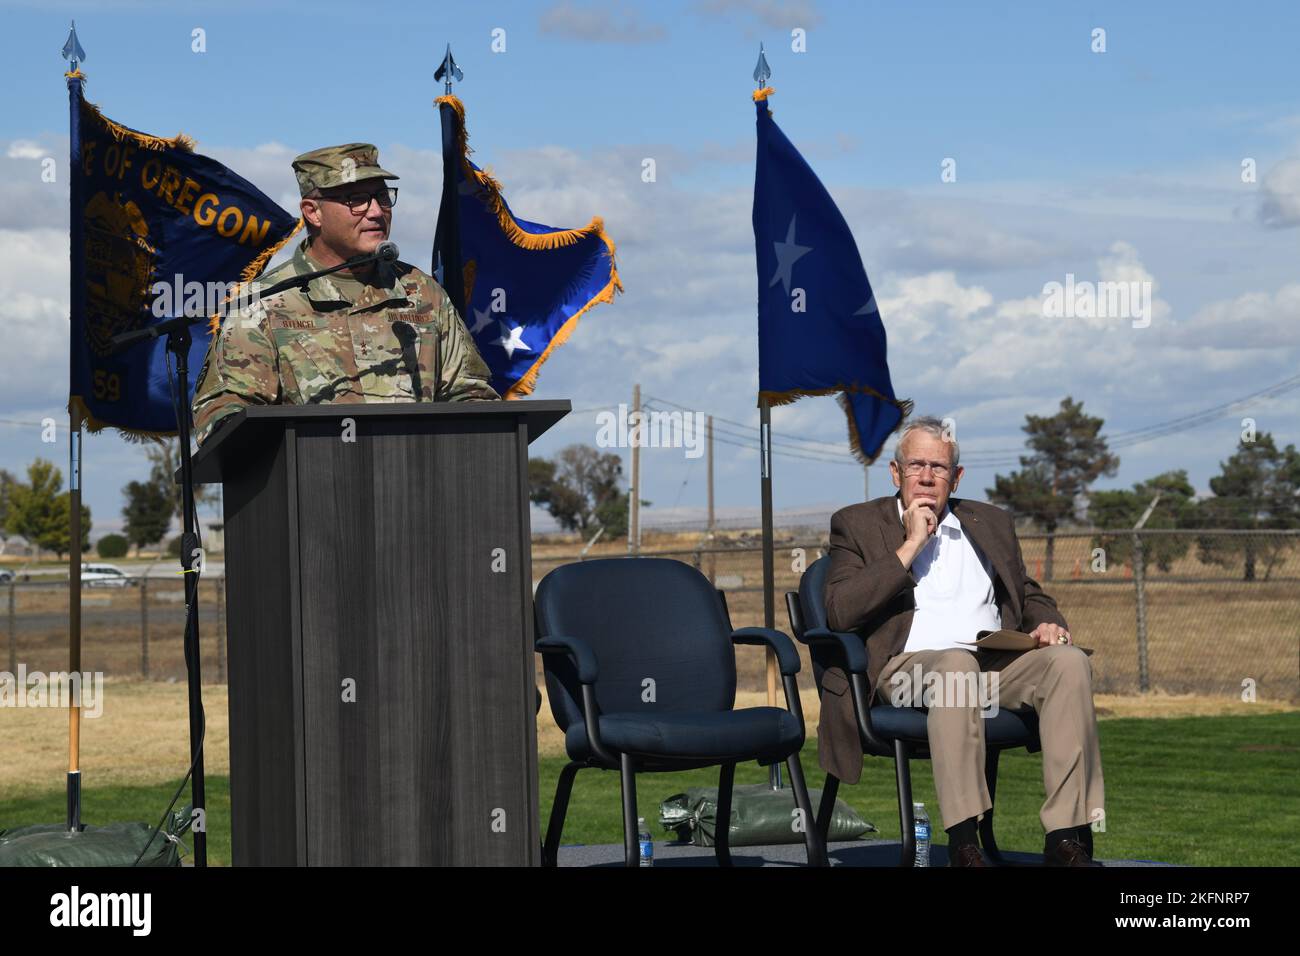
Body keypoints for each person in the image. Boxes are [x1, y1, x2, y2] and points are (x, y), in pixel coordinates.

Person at [821, 415, 1105, 867]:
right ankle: (964, 841)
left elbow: (1027, 592)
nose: (928, 476)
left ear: (957, 477)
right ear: (896, 473)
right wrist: (911, 544)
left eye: (939, 467)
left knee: (1068, 663)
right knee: (955, 665)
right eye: (916, 466)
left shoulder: (990, 521)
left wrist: (1048, 622)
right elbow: (840, 609)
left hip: (992, 665)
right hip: (908, 671)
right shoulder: (856, 524)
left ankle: (1065, 838)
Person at [192, 143, 498, 444]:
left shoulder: (422, 293)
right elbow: (223, 412)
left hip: (417, 482)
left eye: (382, 196)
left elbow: (470, 395)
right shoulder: (264, 302)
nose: (376, 211)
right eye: (357, 199)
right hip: (311, 485)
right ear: (313, 212)